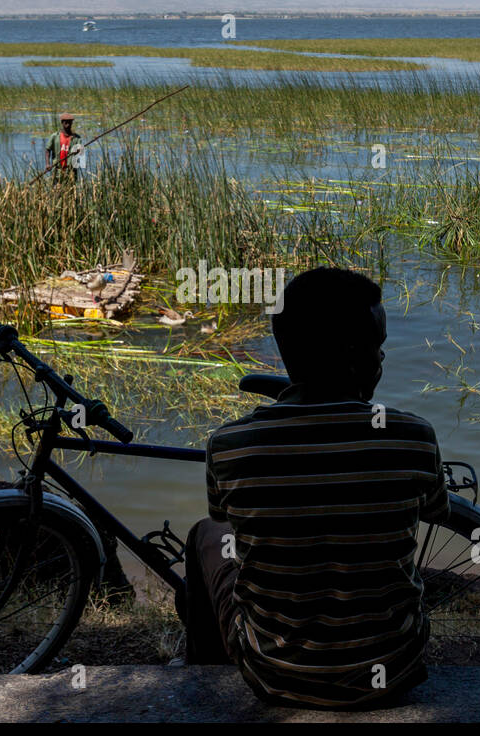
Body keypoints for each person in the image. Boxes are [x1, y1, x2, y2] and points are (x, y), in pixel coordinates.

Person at [180, 266, 448, 709]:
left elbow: (222, 518)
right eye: (376, 348)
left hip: (276, 675)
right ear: (352, 356)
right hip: (393, 667)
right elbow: (438, 512)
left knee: (204, 535)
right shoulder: (412, 435)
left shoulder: (228, 445)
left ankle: (202, 674)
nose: (382, 360)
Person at [45, 112, 82, 176]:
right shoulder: (55, 136)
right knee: (56, 186)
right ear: (62, 122)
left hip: (71, 170)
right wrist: (48, 164)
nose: (68, 125)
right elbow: (47, 150)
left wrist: (78, 151)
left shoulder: (77, 138)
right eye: (66, 123)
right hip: (57, 170)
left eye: (69, 123)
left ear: (72, 123)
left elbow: (80, 152)